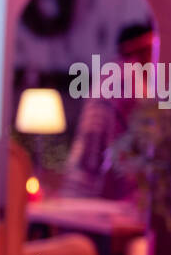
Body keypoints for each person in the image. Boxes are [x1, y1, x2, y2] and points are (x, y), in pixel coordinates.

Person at [62, 22, 159, 200]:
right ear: (144, 48)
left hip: (83, 180)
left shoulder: (110, 74)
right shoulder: (128, 78)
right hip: (102, 188)